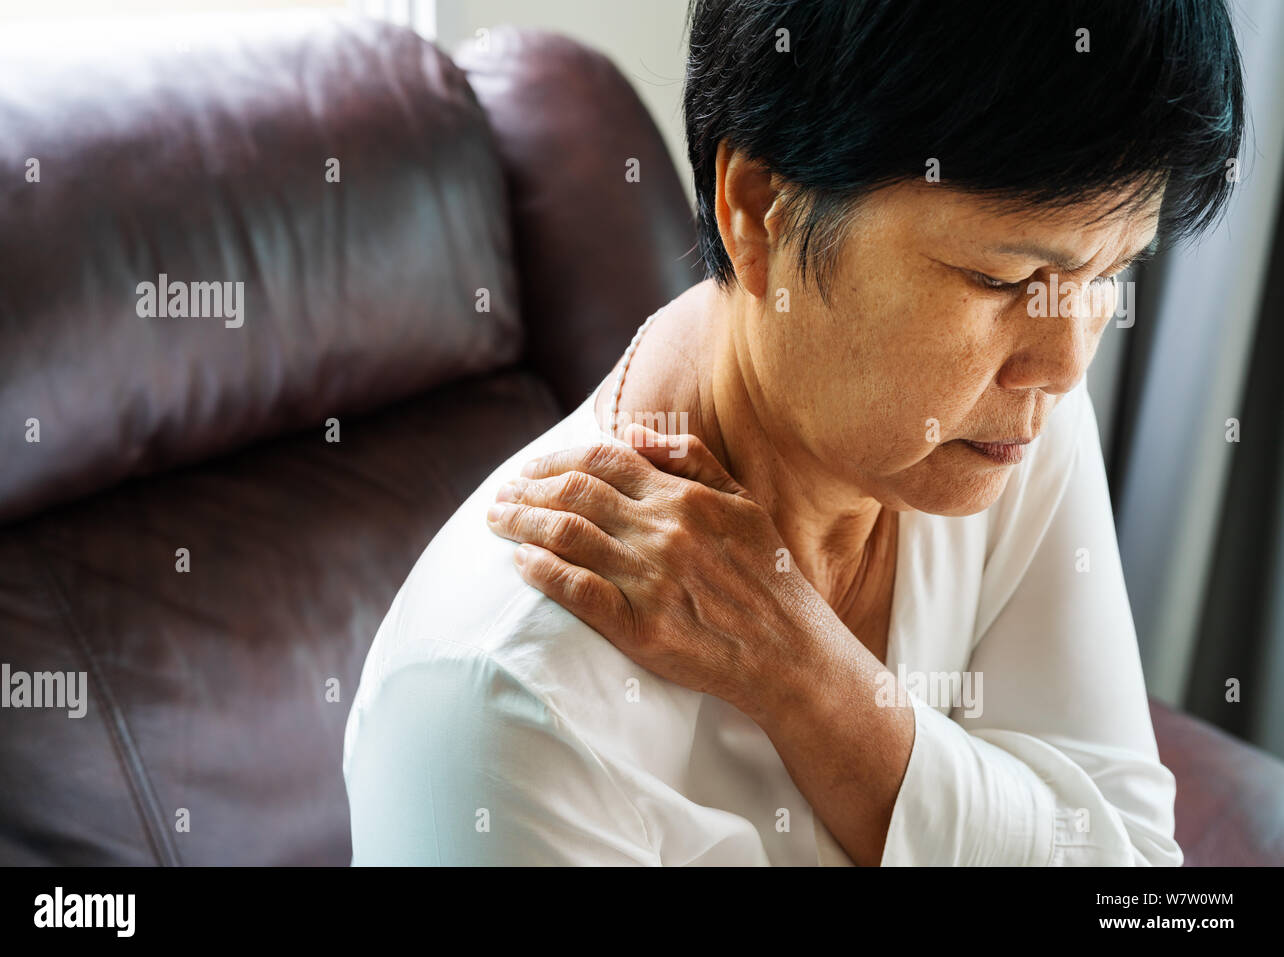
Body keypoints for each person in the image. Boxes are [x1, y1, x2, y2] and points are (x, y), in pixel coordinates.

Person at [343, 0, 1244, 865]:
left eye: (1110, 271)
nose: (1062, 359)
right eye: (1000, 279)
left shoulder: (998, 419)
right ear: (758, 209)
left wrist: (807, 675)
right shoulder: (498, 706)